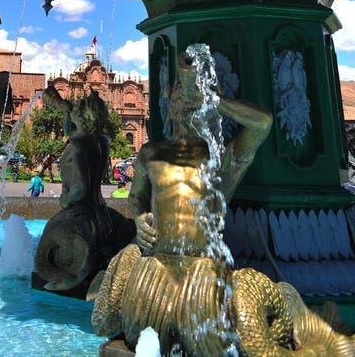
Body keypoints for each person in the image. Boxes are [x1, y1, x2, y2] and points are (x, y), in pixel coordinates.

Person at [92, 50, 273, 352]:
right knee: (128, 336)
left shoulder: (219, 158)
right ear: (170, 105)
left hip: (202, 268)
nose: (186, 100)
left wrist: (215, 99)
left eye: (193, 96)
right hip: (157, 267)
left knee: (207, 346)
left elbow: (262, 124)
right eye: (179, 93)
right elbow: (136, 197)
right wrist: (138, 218)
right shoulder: (151, 153)